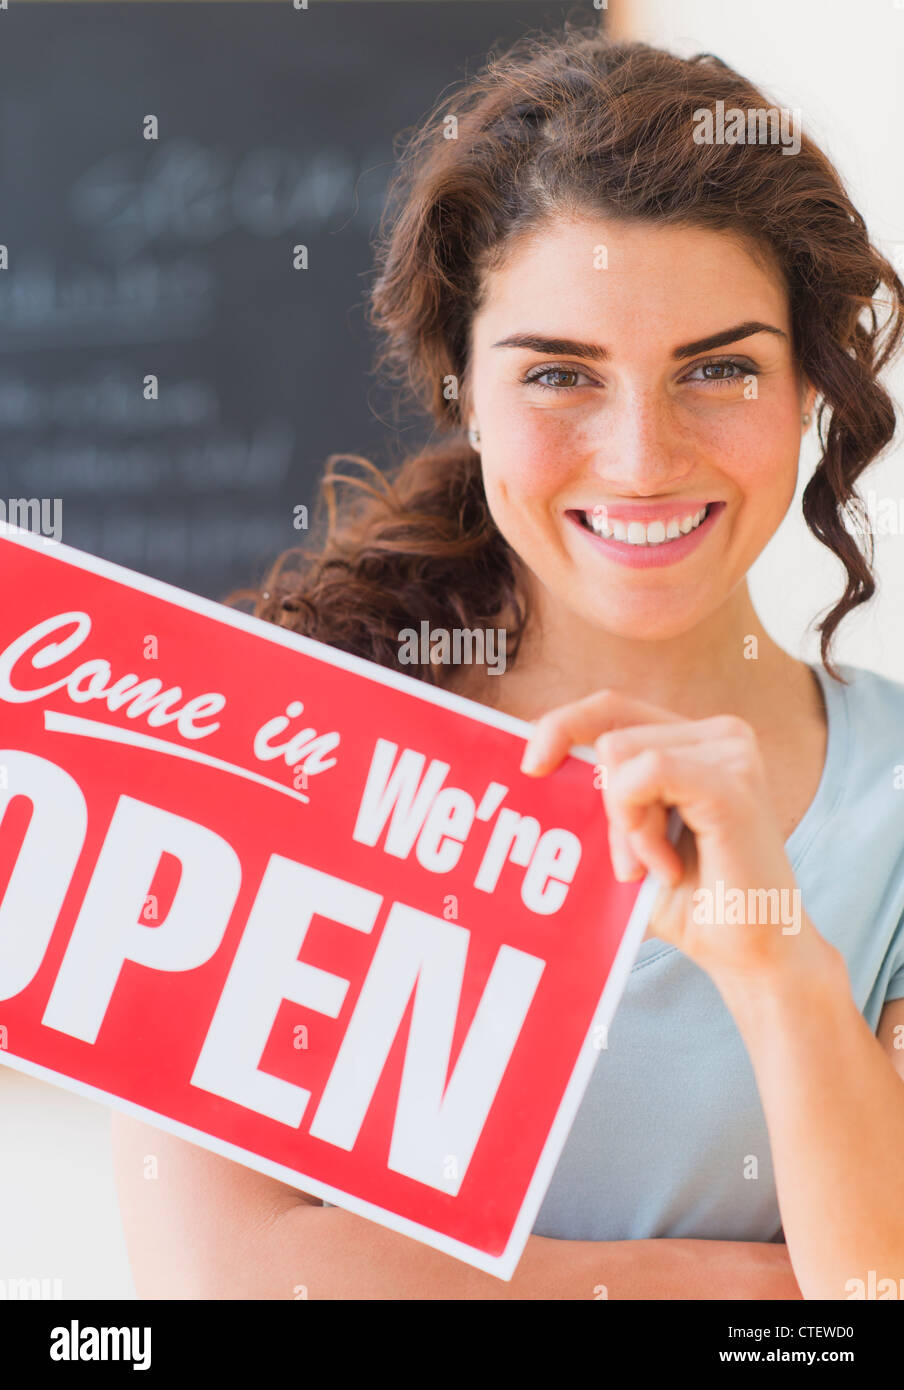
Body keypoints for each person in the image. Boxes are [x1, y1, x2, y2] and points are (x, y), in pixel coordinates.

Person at [111, 23, 904, 1300]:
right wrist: (752, 1285)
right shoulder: (257, 748)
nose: (642, 458)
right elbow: (230, 1282)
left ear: (811, 384)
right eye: (558, 374)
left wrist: (773, 960)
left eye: (718, 368)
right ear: (461, 388)